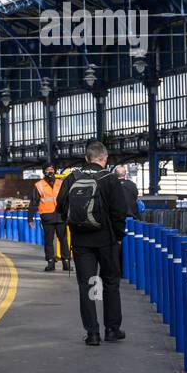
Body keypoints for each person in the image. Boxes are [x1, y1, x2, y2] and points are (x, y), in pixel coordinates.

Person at [57, 140, 129, 346]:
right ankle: (112, 330)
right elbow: (119, 211)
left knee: (87, 285)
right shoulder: (109, 178)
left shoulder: (72, 178)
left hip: (81, 242)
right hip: (106, 240)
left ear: (86, 158)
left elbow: (61, 207)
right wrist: (117, 235)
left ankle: (92, 333)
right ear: (104, 159)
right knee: (110, 283)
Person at [27, 163, 70, 272]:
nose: (50, 171)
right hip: (47, 216)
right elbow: (33, 202)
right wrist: (30, 219)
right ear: (44, 171)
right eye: (48, 169)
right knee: (48, 240)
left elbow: (67, 199)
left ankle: (66, 262)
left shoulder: (61, 183)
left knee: (63, 239)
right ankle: (50, 262)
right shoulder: (39, 185)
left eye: (52, 169)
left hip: (61, 216)